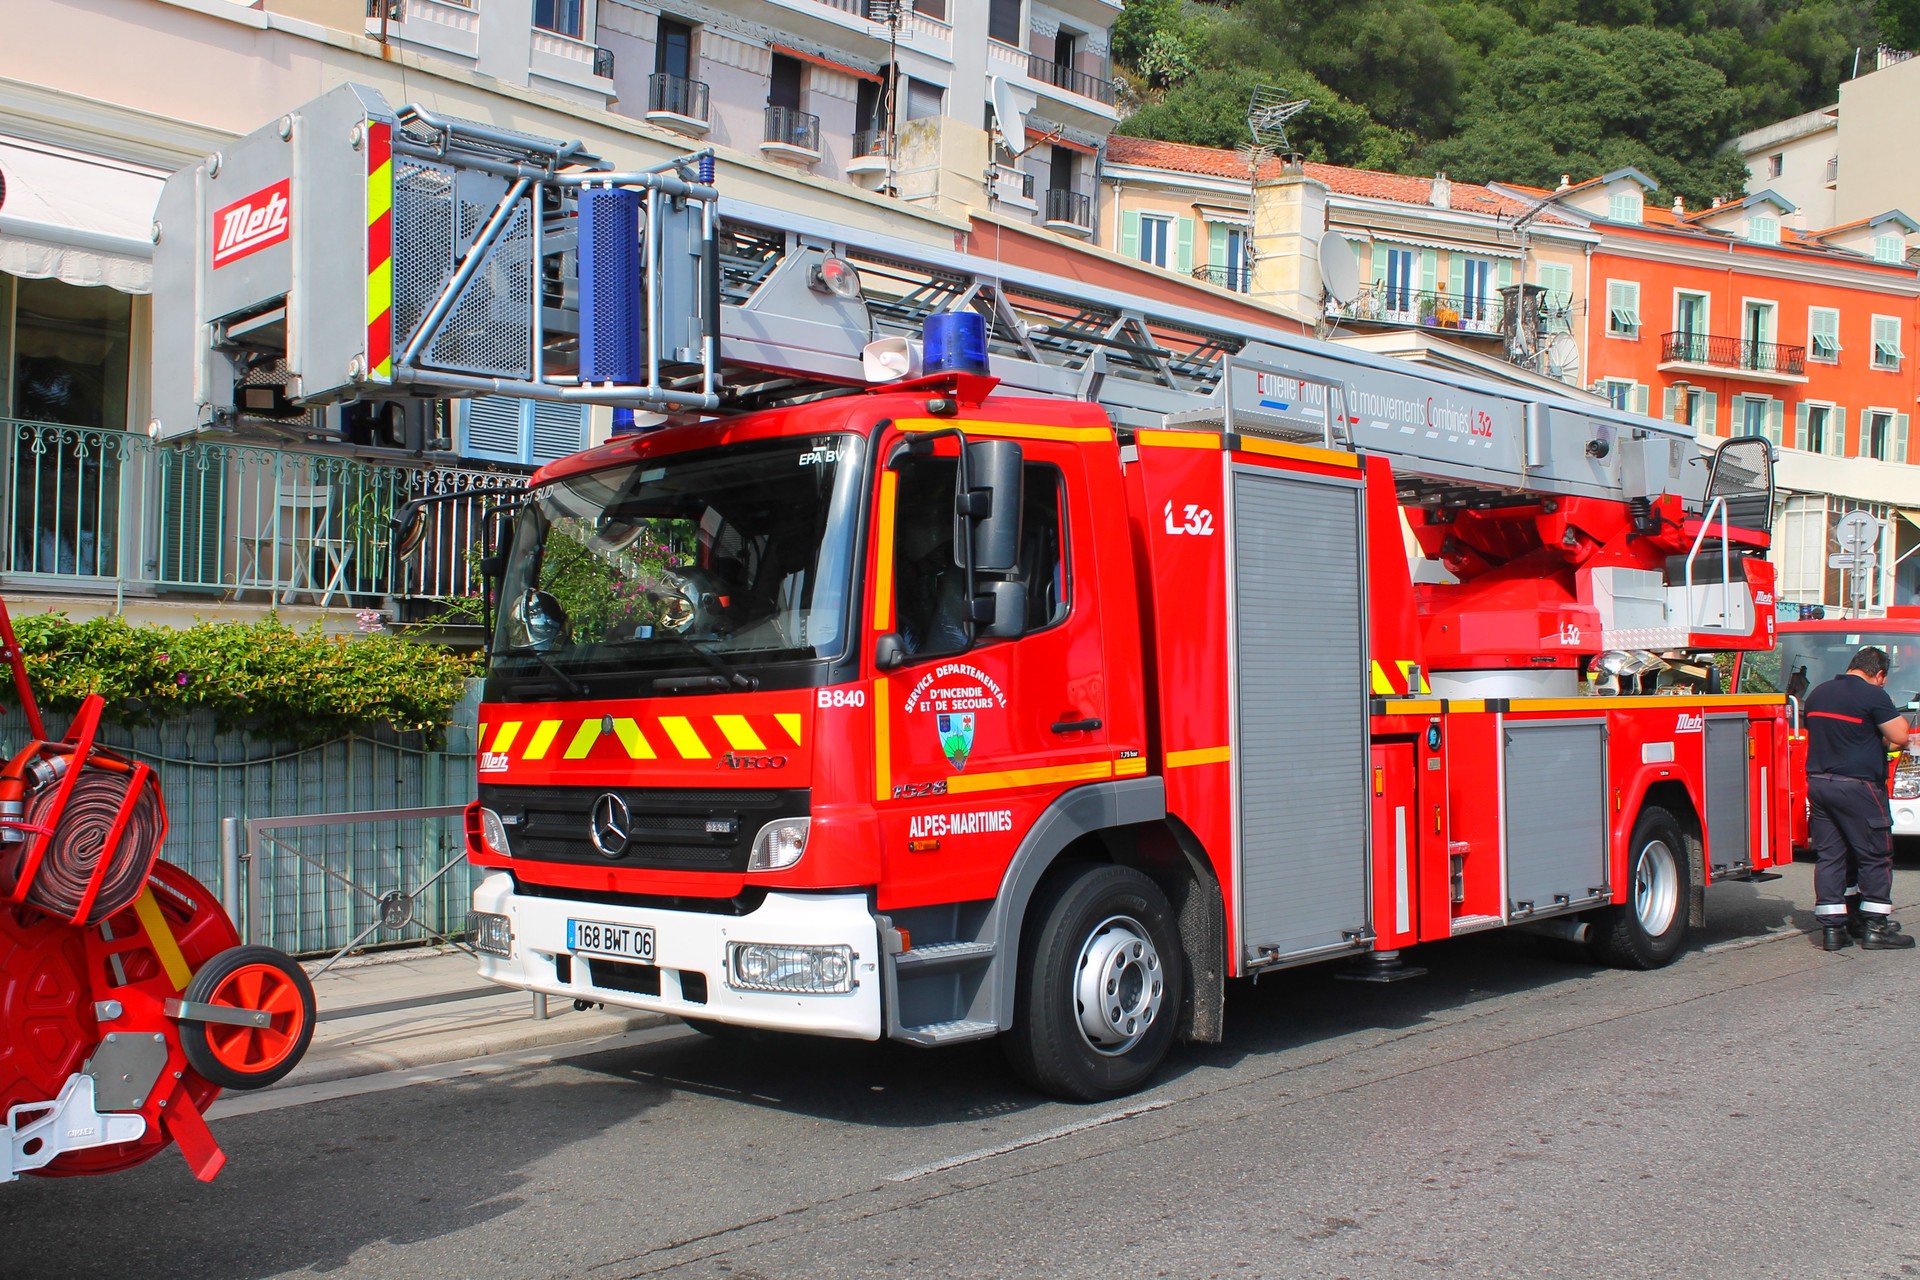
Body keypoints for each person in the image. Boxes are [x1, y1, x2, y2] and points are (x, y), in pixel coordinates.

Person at [1806, 646, 1913, 951]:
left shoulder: (1818, 694)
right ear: (1878, 674)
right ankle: (1876, 927)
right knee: (1875, 855)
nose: (1882, 684)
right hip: (1858, 787)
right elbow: (1901, 734)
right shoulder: (1872, 695)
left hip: (1819, 784)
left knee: (1832, 856)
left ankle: (1834, 928)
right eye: (1883, 679)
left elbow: (1844, 733)